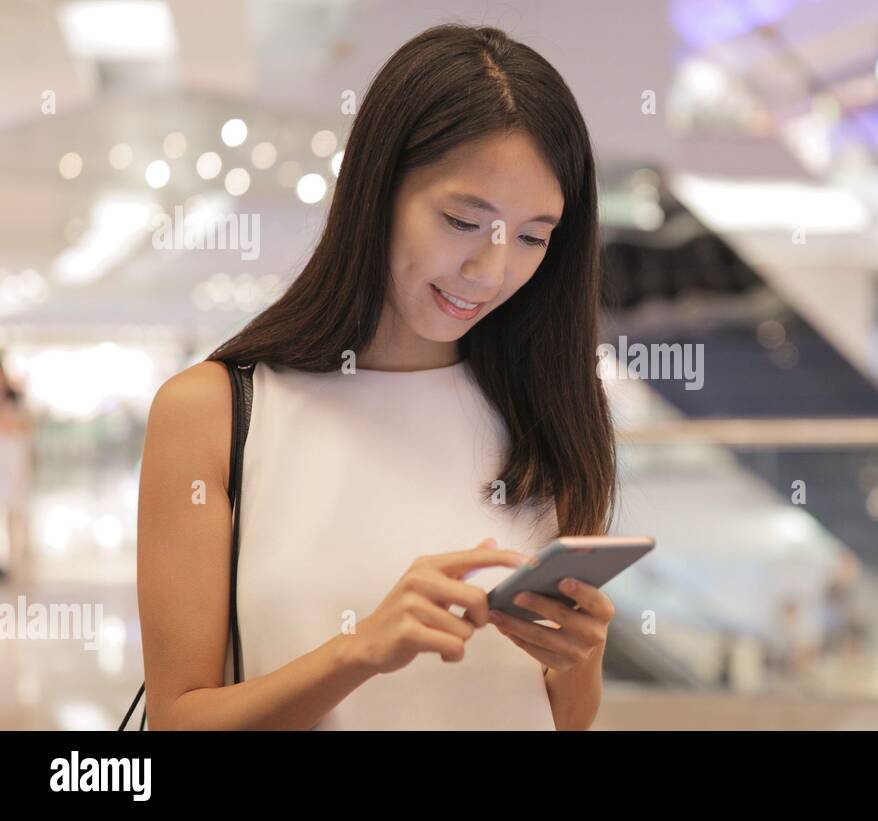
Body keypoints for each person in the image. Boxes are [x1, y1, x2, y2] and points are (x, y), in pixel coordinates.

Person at [137, 25, 617, 729]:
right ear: (378, 188)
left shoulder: (551, 411)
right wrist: (359, 649)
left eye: (532, 236)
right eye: (462, 220)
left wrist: (580, 663)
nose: (490, 272)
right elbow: (180, 720)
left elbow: (559, 719)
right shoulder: (215, 411)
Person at [0, 355, 34, 585]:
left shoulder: (15, 398)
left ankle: (11, 559)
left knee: (13, 510)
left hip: (11, 459)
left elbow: (26, 425)